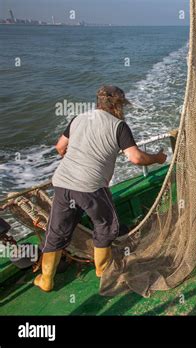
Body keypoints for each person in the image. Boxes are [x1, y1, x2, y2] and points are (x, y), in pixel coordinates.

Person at [34, 85, 167, 292]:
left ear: (98, 102)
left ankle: (46, 280)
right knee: (105, 226)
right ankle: (102, 270)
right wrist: (158, 158)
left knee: (56, 232)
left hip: (62, 182)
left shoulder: (79, 118)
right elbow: (135, 157)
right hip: (91, 186)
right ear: (119, 105)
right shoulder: (118, 126)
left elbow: (60, 147)